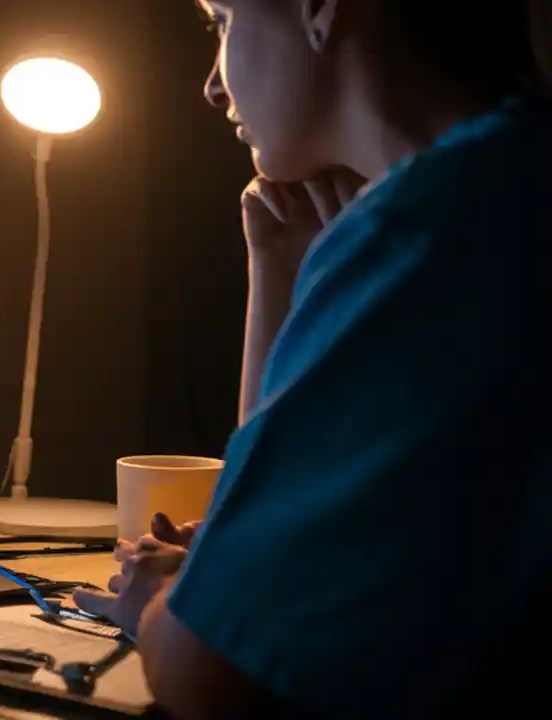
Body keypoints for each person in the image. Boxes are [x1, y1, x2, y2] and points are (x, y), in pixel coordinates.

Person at [73, 0, 552, 717]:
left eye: (222, 21)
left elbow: (209, 676)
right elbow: (268, 544)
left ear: (321, 11)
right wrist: (285, 270)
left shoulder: (427, 233)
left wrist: (162, 601)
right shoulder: (510, 180)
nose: (211, 85)